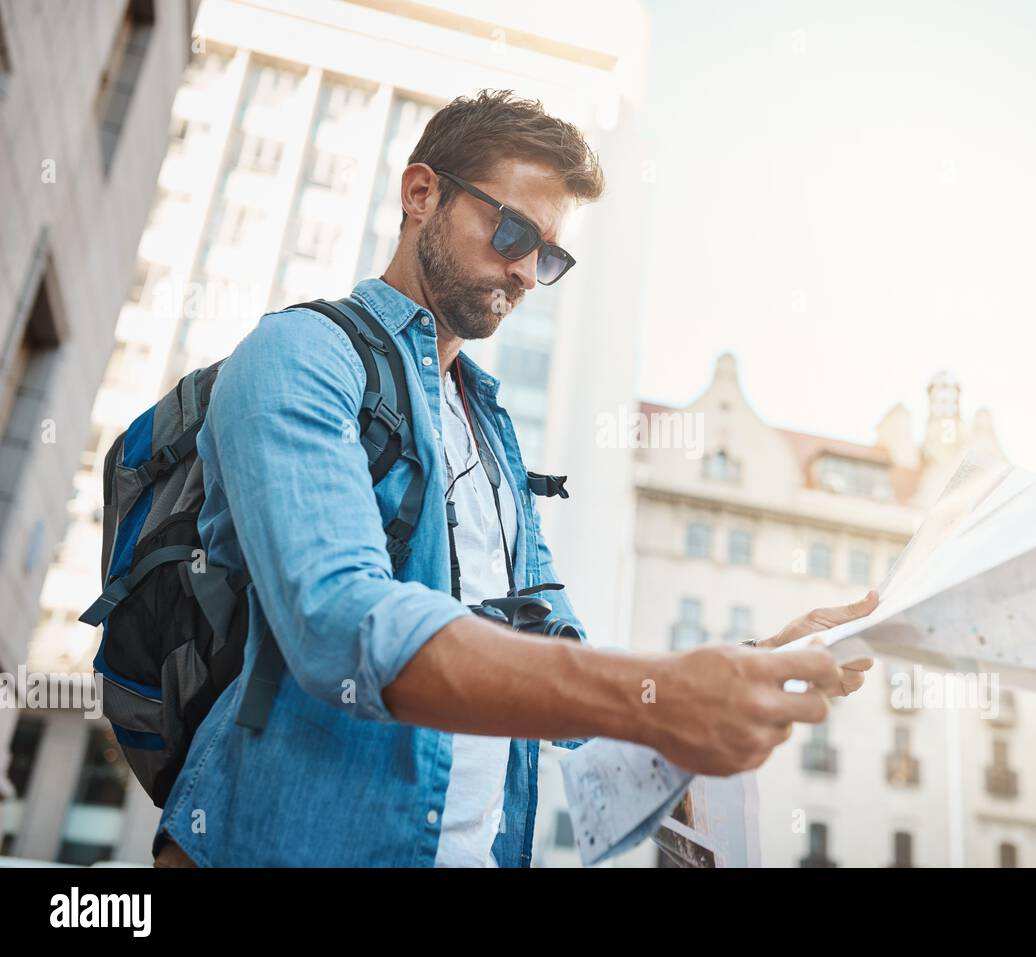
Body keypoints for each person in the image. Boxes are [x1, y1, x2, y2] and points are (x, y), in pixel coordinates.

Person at [153, 89, 877, 868]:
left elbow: (558, 659)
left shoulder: (492, 433)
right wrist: (666, 691)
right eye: (512, 231)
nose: (528, 272)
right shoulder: (302, 353)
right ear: (421, 192)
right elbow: (340, 623)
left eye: (551, 256)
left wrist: (752, 661)